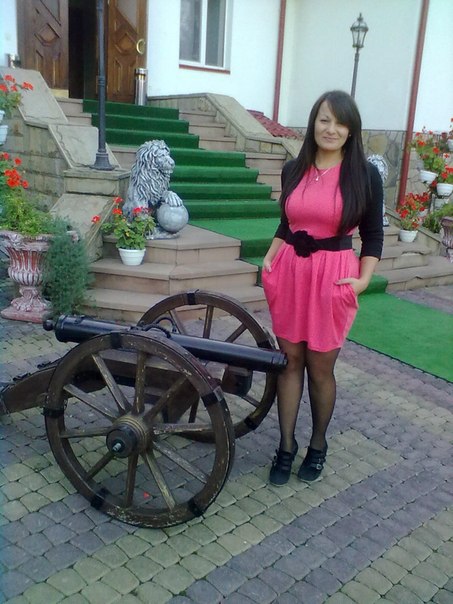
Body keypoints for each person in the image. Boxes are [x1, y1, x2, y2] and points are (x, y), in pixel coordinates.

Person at [261, 90, 383, 486]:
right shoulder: (293, 169)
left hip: (333, 277)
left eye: (340, 123)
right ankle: (285, 446)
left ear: (351, 130)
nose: (331, 129)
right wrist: (270, 255)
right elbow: (287, 223)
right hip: (291, 274)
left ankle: (317, 445)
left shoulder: (364, 175)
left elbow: (373, 235)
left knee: (320, 368)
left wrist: (363, 280)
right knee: (289, 362)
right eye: (324, 119)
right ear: (313, 122)